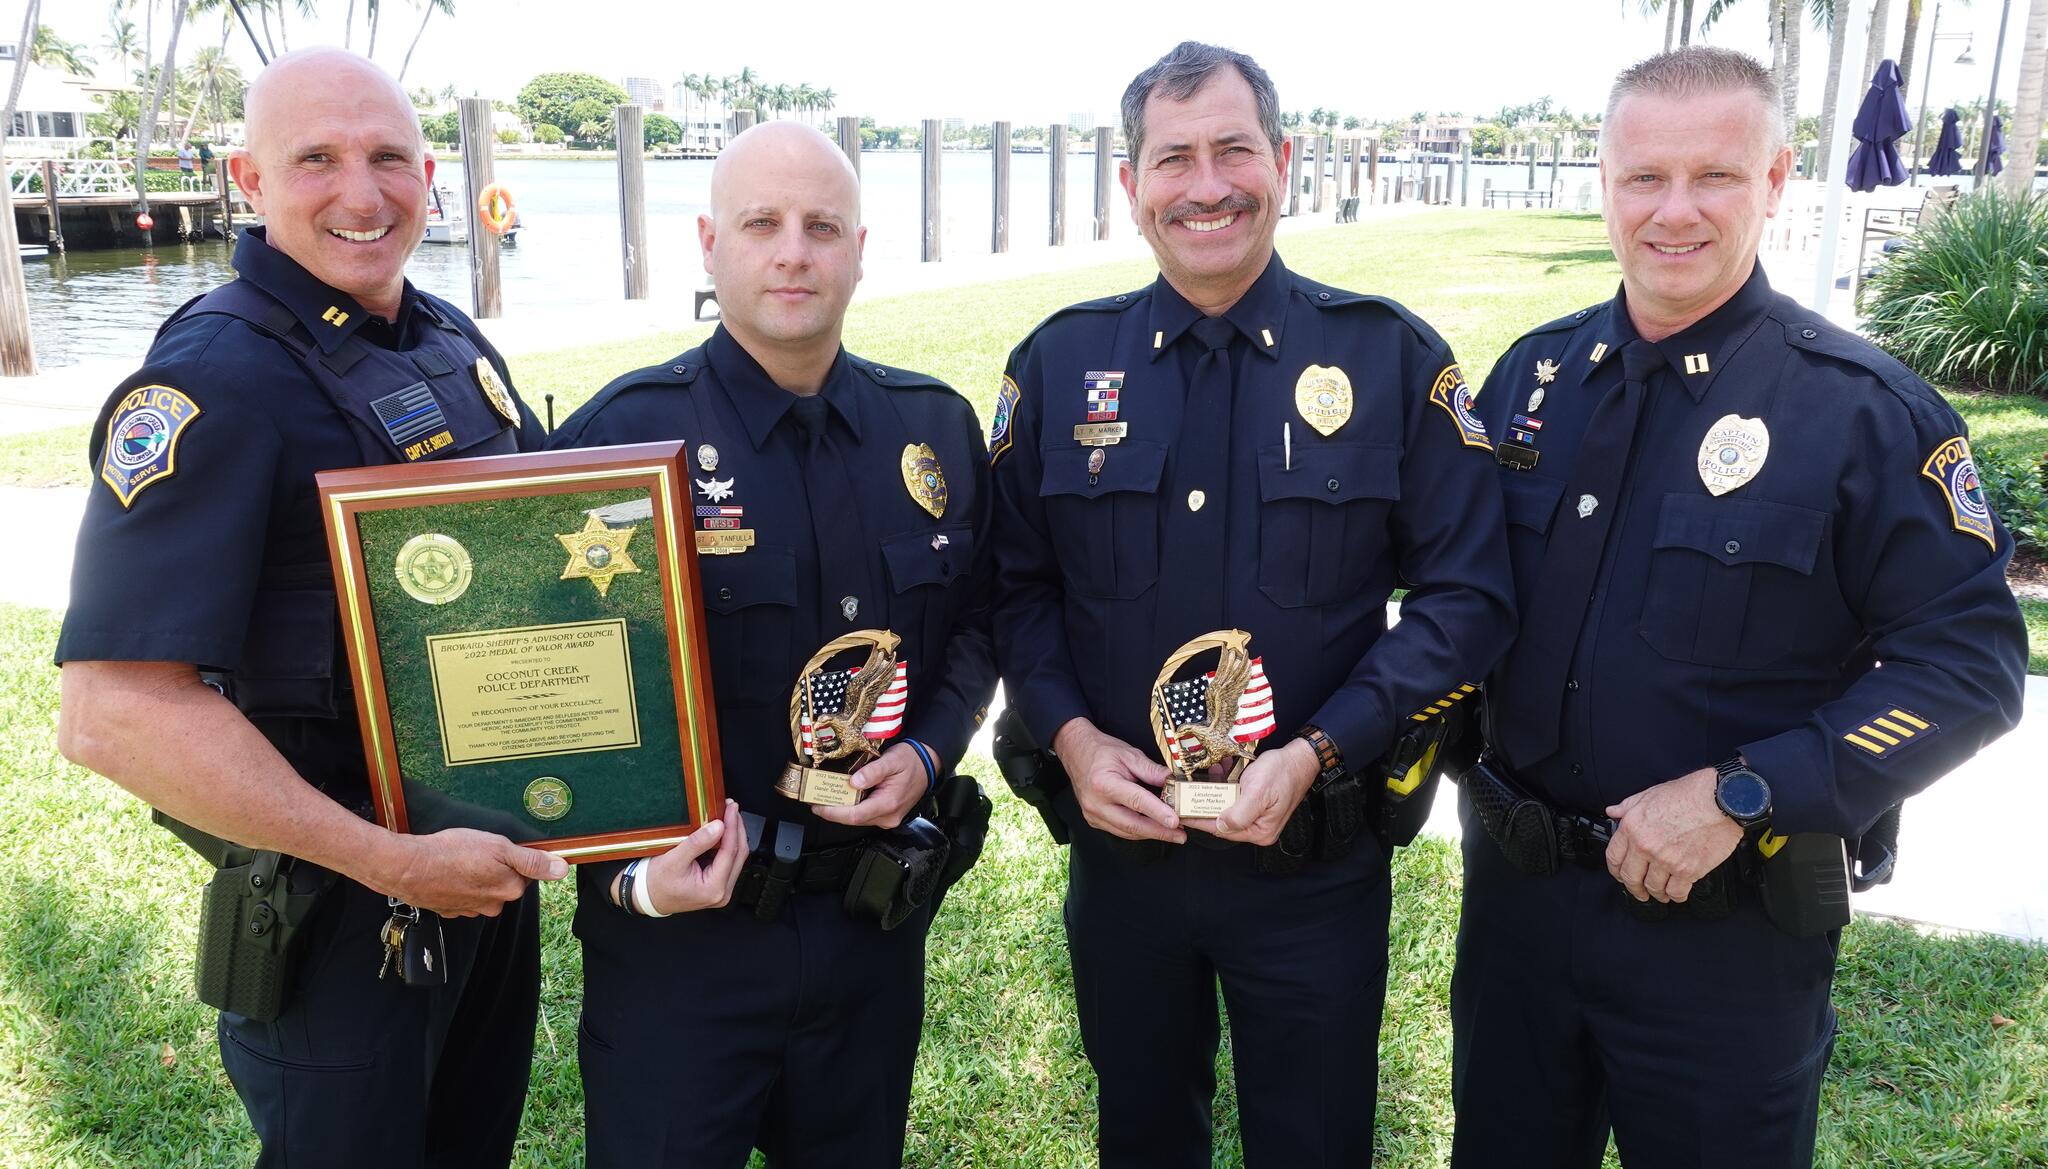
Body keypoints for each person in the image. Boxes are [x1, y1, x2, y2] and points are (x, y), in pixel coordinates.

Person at [1456, 47, 2028, 1168]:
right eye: (1642, 177)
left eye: (1712, 177)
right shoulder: (1532, 379)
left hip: (1723, 935)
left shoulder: (1863, 414)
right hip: (1516, 908)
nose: (1673, 211)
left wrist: (1739, 791)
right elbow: (1460, 604)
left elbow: (1967, 668)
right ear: (1604, 183)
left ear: (1772, 182)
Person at [988, 42, 1516, 1167]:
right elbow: (1014, 588)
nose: (1206, 183)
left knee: (1315, 1137)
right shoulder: (1057, 364)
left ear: (1282, 161)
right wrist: (1073, 742)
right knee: (1139, 1128)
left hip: (1311, 860)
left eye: (1233, 149)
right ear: (1128, 186)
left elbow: (1466, 599)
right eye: (1171, 157)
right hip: (1123, 856)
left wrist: (1325, 747)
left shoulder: (1386, 357)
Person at [55, 47, 561, 1169]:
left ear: (430, 173)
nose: (362, 193)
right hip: (343, 914)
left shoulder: (442, 337)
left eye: (388, 157)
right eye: (316, 159)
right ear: (248, 177)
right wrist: (387, 860)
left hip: (476, 878)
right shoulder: (212, 378)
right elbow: (113, 712)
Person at [545, 121, 997, 1168]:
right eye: (762, 223)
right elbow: (552, 691)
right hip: (683, 938)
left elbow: (978, 619)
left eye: (820, 226)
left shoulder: (929, 430)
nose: (792, 250)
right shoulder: (620, 441)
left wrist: (929, 749)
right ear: (709, 243)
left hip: (868, 917)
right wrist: (629, 878)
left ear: (857, 247)